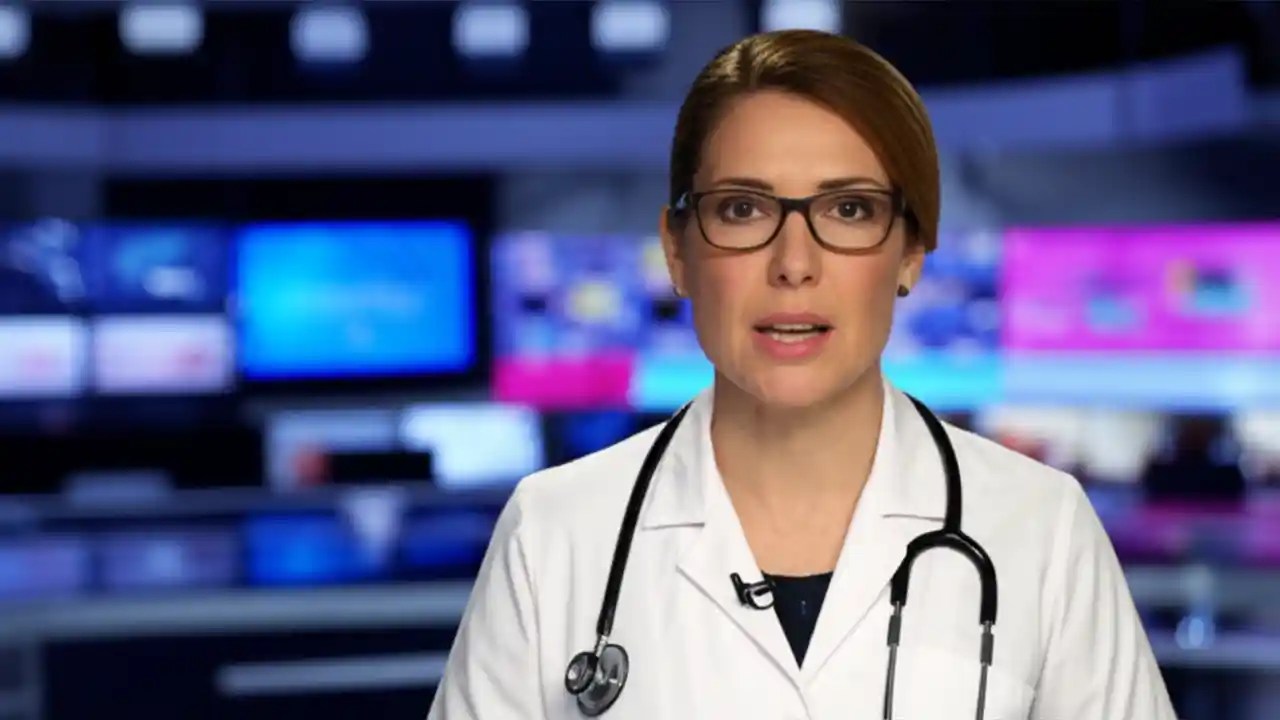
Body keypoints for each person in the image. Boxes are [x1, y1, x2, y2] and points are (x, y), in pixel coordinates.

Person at [428, 30, 1176, 719]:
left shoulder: (1040, 529)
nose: (794, 264)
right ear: (679, 251)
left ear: (912, 251)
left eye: (849, 210)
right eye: (744, 209)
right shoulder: (555, 531)